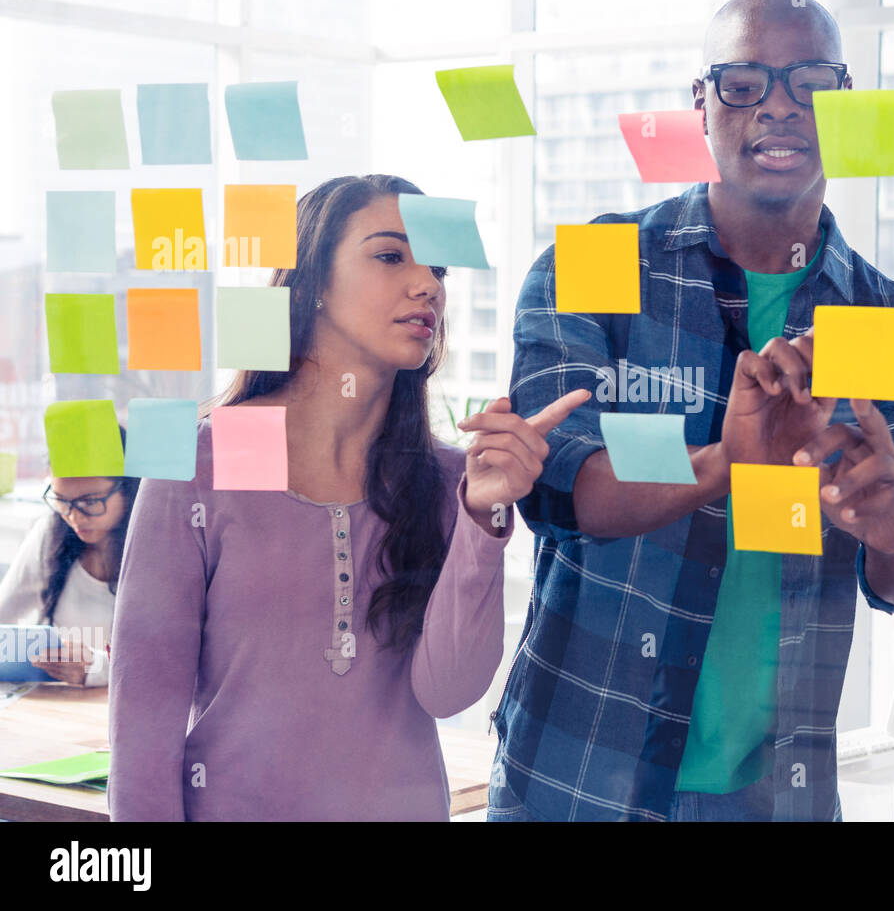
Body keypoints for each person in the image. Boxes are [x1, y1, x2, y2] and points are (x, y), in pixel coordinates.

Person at [490, 0, 894, 822]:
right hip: (576, 782)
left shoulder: (889, 324)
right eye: (744, 82)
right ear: (702, 106)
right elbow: (565, 491)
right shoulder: (600, 266)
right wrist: (727, 465)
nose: (778, 108)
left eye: (811, 82)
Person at [109, 174, 587, 821]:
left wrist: (483, 518)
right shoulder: (199, 463)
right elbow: (143, 722)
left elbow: (449, 690)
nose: (429, 286)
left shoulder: (451, 481)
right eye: (391, 256)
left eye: (438, 268)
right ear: (309, 285)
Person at [0, 425, 137, 687]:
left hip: (125, 710)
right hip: (61, 707)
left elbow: (169, 662)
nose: (73, 516)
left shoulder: (156, 548)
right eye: (62, 500)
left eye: (90, 501)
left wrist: (96, 668)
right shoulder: (51, 534)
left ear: (127, 488)